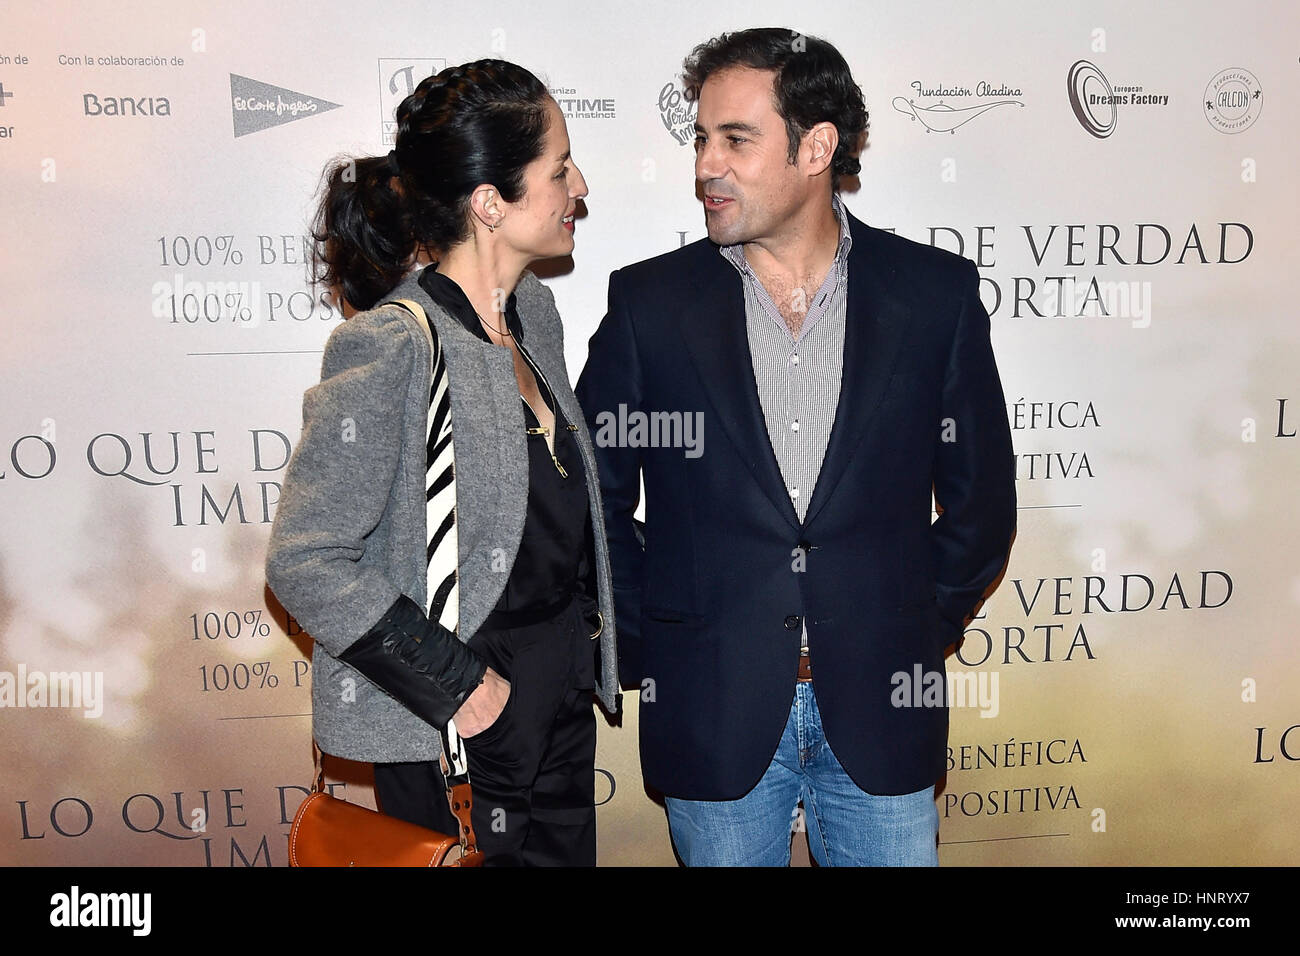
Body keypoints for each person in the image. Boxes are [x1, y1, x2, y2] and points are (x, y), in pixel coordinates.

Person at [575, 28, 1016, 866]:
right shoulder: (650, 304)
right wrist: (657, 637)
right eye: (701, 139)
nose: (708, 164)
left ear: (816, 147)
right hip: (712, 708)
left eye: (736, 140)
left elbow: (982, 500)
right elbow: (591, 500)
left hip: (884, 705)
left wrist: (919, 625)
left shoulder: (933, 296)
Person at [265, 59, 619, 866]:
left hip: (558, 702)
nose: (581, 187)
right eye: (560, 169)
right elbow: (307, 558)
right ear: (491, 202)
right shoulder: (393, 342)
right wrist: (460, 687)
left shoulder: (536, 312)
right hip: (456, 724)